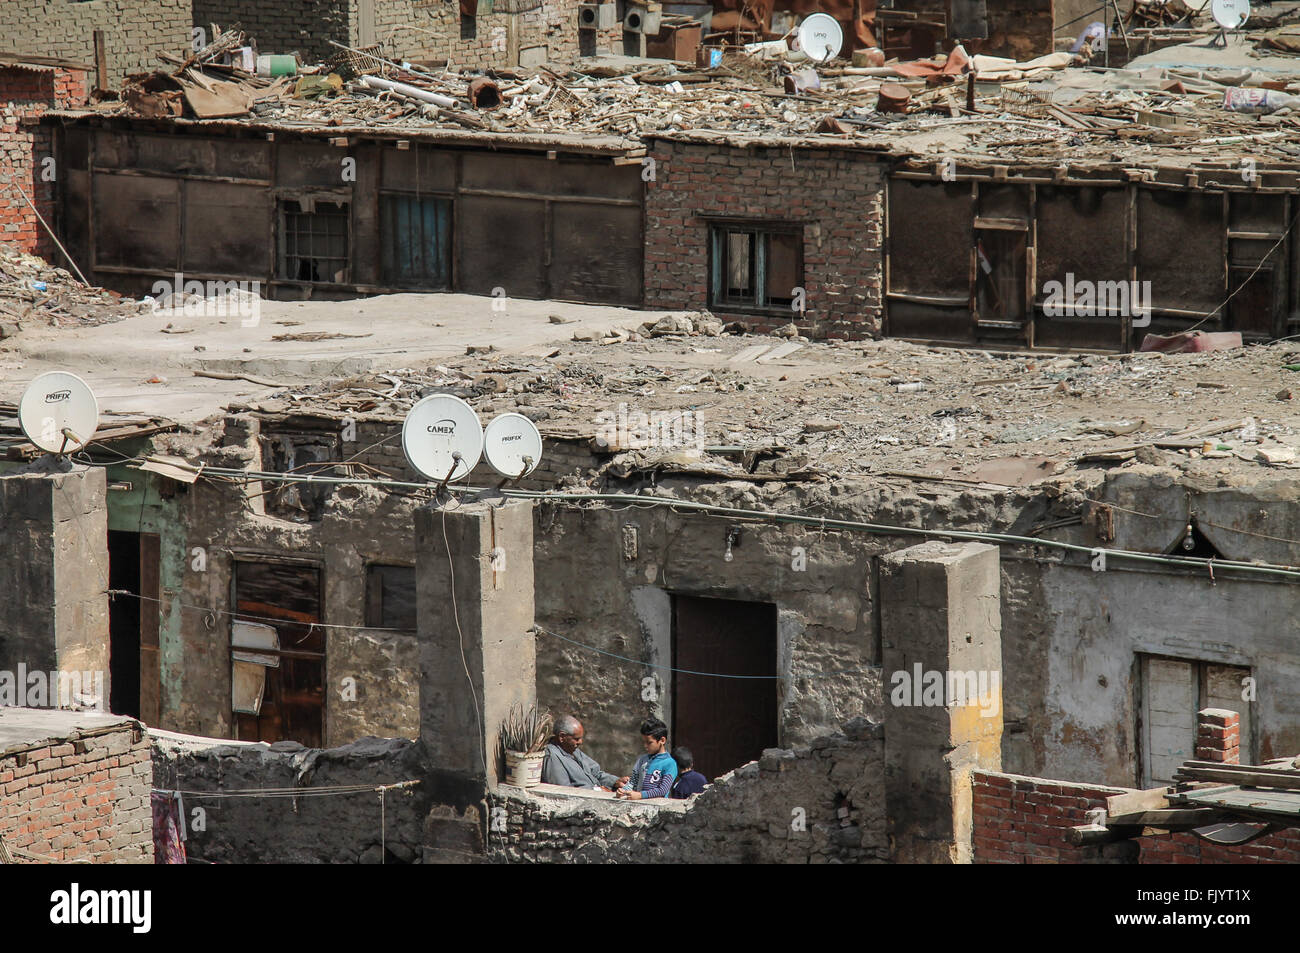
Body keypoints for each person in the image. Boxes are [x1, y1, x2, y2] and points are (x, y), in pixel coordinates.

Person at [541, 715, 621, 790]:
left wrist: (615, 782)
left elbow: (596, 773)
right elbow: (563, 790)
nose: (580, 742)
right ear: (562, 737)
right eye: (576, 739)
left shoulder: (573, 750)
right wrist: (597, 791)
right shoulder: (552, 757)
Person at [615, 717, 677, 800]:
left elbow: (662, 790)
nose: (645, 746)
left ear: (662, 740)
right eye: (644, 742)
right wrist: (623, 791)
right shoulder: (642, 760)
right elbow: (633, 782)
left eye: (649, 742)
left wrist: (640, 795)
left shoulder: (670, 764)